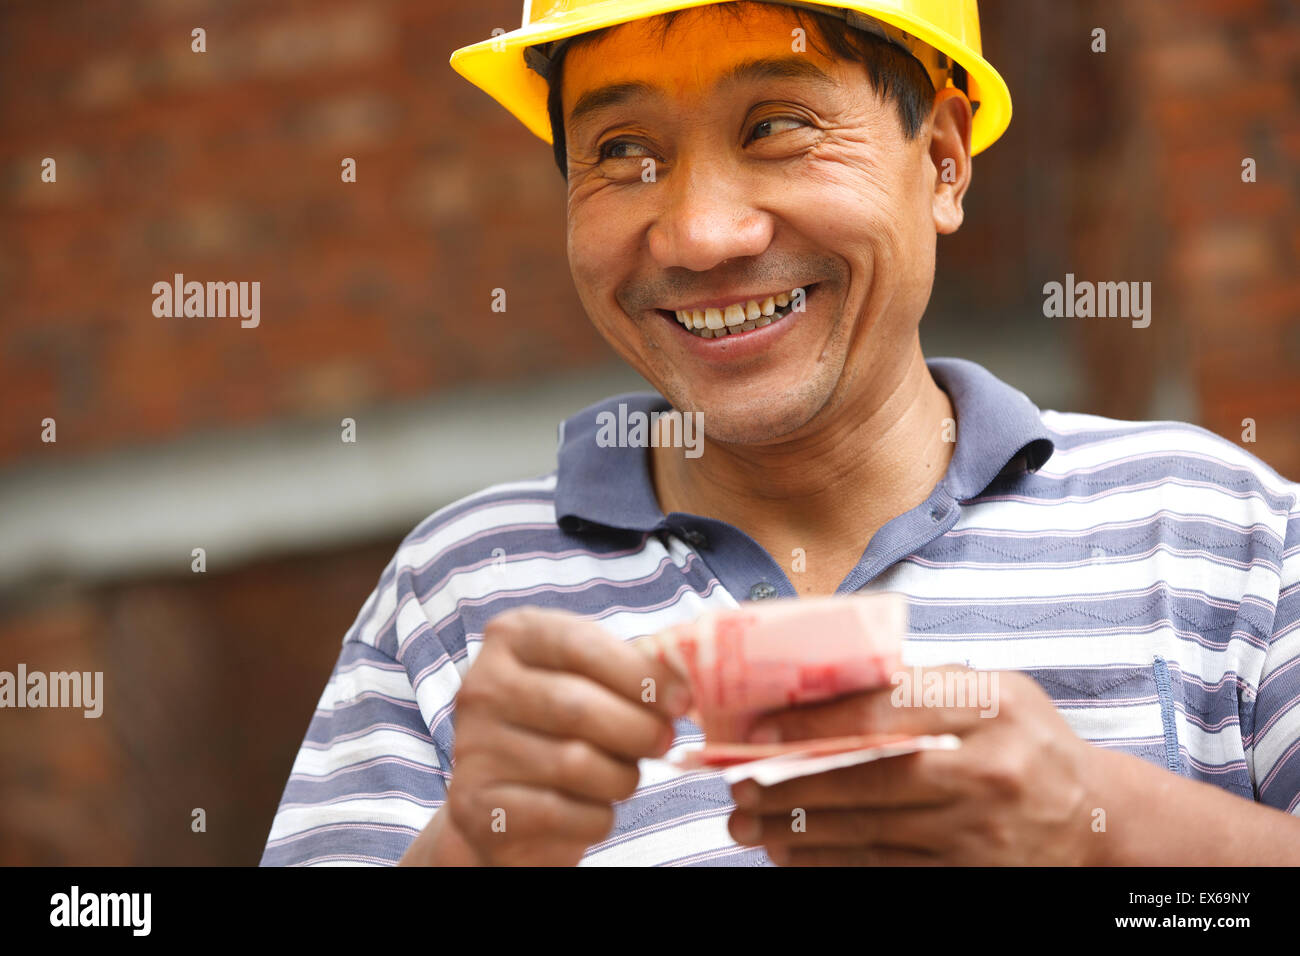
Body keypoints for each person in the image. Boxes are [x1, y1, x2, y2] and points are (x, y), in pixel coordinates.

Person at [260, 0, 1300, 866]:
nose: (704, 233)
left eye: (776, 126)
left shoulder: (1216, 533)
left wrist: (1101, 825)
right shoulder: (452, 595)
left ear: (942, 159)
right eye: (622, 151)